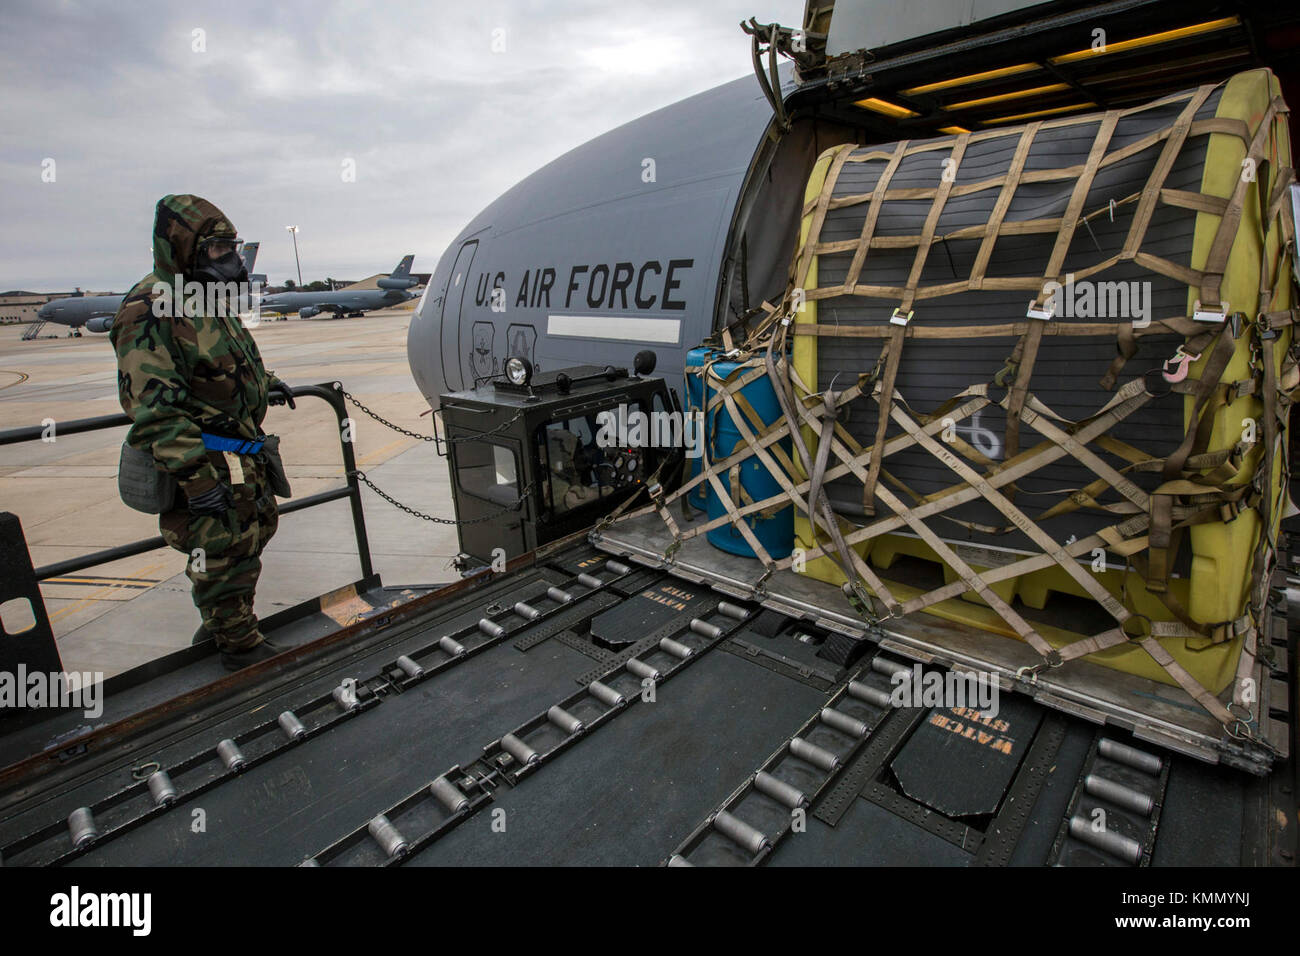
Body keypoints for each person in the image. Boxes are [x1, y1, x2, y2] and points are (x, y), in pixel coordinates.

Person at [110, 194, 296, 670]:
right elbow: (154, 410)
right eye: (217, 250)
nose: (229, 259)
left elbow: (222, 361)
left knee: (251, 538)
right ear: (183, 246)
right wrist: (198, 479)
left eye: (229, 248)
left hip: (239, 450)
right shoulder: (151, 308)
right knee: (221, 551)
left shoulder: (204, 299)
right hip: (205, 457)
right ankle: (239, 649)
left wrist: (266, 383)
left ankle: (221, 628)